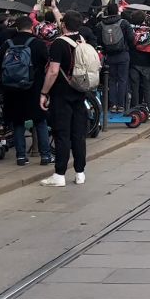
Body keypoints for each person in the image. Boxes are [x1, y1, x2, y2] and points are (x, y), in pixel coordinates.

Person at [38, 10, 90, 186]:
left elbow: (53, 71)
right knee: (78, 135)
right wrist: (55, 8)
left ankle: (59, 174)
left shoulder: (59, 44)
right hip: (79, 91)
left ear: (64, 25)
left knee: (62, 134)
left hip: (62, 94)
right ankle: (80, 172)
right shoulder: (81, 40)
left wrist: (44, 92)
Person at [0, 16, 52, 166]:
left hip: (12, 90)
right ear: (31, 27)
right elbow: (47, 63)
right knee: (40, 121)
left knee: (18, 122)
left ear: (17, 28)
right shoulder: (38, 44)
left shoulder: (7, 44)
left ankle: (21, 156)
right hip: (34, 88)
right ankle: (45, 155)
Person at [96, 3, 134, 112]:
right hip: (123, 54)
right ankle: (121, 105)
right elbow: (131, 38)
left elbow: (99, 40)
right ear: (117, 11)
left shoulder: (101, 24)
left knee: (111, 80)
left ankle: (112, 105)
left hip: (109, 56)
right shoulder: (124, 23)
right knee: (122, 80)